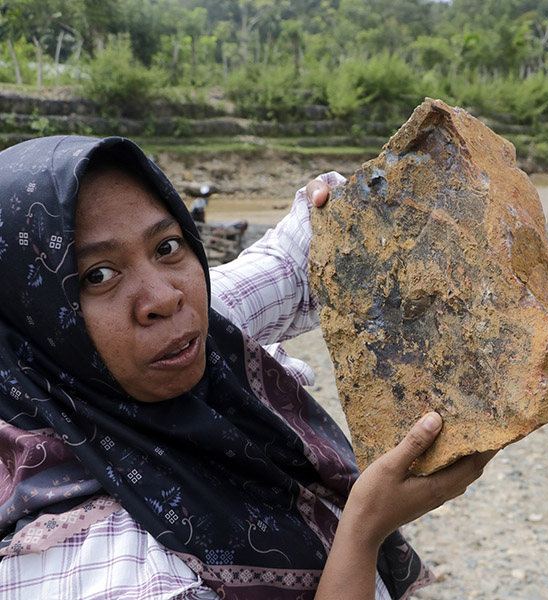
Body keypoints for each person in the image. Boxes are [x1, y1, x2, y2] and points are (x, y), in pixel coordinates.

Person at [0, 135, 494, 599]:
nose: (165, 298)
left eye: (166, 246)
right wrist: (364, 529)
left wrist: (348, 205)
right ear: (31, 317)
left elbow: (288, 260)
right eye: (99, 275)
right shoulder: (106, 567)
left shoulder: (197, 338)